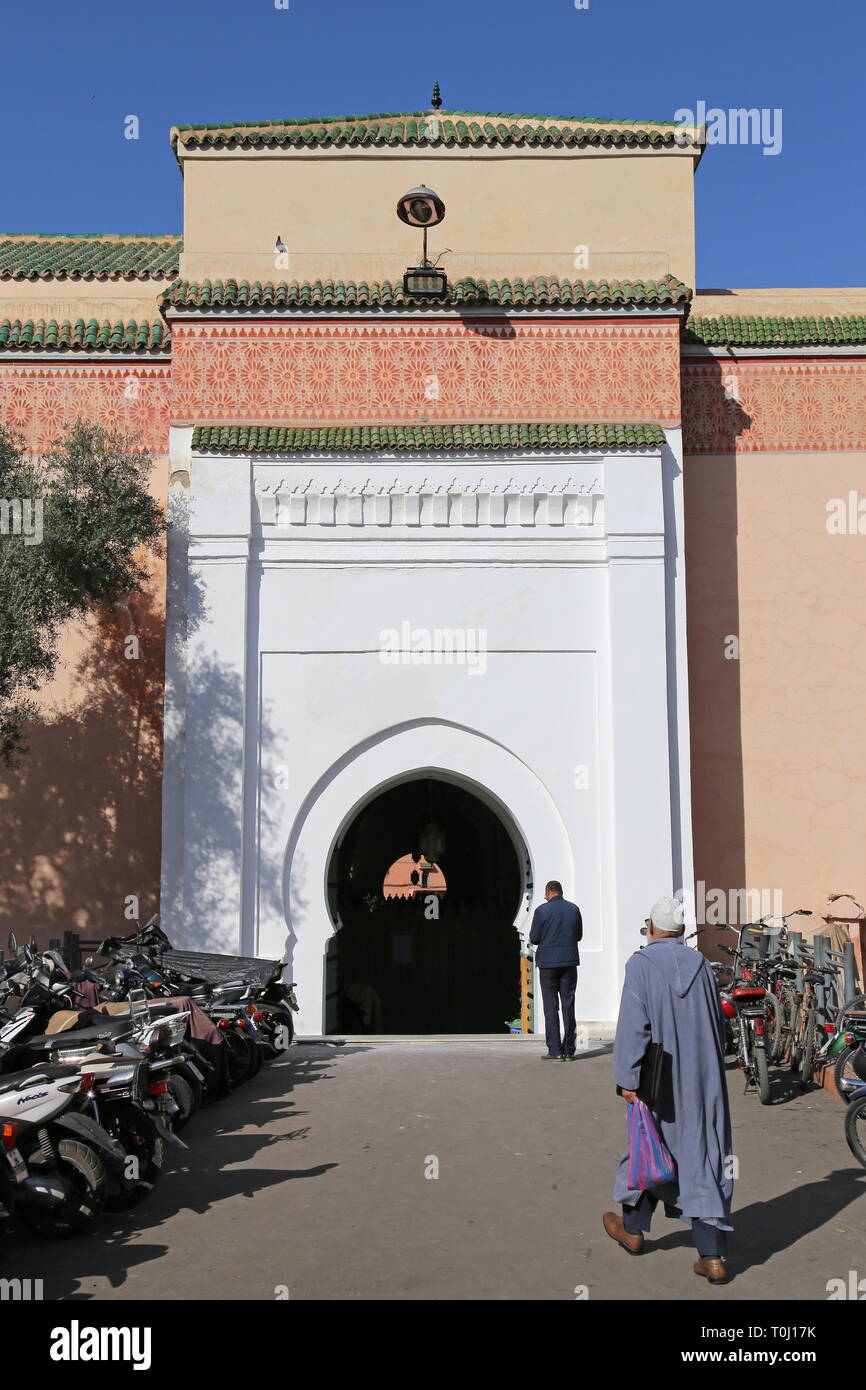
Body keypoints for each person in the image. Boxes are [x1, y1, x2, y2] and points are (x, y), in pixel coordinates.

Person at [603, 896, 734, 1285]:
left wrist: (627, 1078)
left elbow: (633, 1026)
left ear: (652, 927)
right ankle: (712, 1256)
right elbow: (716, 1025)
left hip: (659, 1080)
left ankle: (634, 1229)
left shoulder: (641, 965)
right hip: (705, 1079)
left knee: (650, 1147)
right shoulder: (702, 965)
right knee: (703, 1154)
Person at [529, 880, 583, 1059]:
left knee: (551, 1007)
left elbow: (534, 938)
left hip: (548, 966)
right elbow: (578, 936)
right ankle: (569, 1050)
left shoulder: (542, 911)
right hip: (569, 963)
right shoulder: (573, 909)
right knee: (569, 1005)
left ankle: (554, 1050)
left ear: (548, 892)